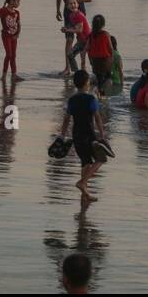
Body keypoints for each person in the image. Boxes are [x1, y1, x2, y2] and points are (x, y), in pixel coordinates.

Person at [59, 71, 110, 204]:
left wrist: (62, 136)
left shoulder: (72, 100)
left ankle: (85, 194)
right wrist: (102, 135)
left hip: (76, 135)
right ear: (87, 83)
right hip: (89, 135)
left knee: (85, 162)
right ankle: (83, 182)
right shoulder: (91, 99)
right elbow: (97, 118)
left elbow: (66, 119)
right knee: (101, 159)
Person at [0, 0, 22, 78]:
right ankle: (4, 75)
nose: (18, 3)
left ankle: (14, 75)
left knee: (13, 55)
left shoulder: (17, 12)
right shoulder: (3, 10)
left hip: (14, 37)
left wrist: (17, 34)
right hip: (6, 36)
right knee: (9, 54)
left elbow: (19, 25)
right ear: (11, 1)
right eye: (17, 1)